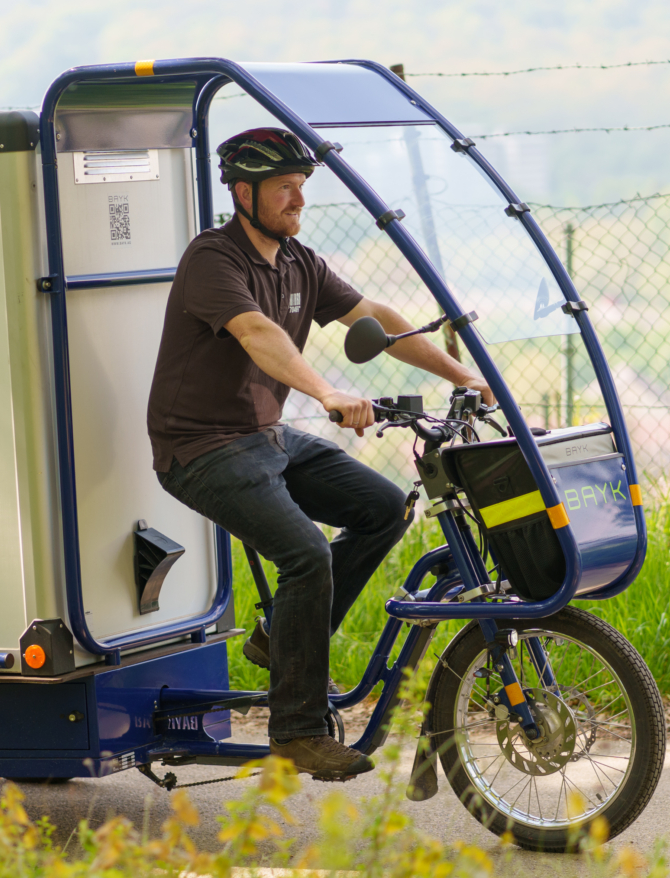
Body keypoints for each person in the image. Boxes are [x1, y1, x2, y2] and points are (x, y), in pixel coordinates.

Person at [146, 127, 493, 780]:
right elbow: (257, 332)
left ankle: (280, 638)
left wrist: (466, 377)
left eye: (302, 187)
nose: (297, 199)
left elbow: (376, 320)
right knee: (305, 554)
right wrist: (327, 391)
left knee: (384, 507)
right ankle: (297, 730)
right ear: (243, 193)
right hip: (199, 448)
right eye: (285, 188)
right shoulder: (213, 259)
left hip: (263, 436)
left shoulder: (298, 261)